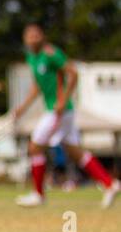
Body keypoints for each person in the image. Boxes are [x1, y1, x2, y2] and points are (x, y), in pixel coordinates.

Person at [11, 23, 119, 208]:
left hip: (58, 110)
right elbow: (38, 85)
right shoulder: (32, 58)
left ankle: (38, 194)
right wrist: (23, 107)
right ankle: (110, 184)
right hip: (58, 111)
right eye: (30, 35)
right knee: (75, 151)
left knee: (35, 147)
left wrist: (63, 100)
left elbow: (73, 73)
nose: (33, 38)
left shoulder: (51, 54)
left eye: (36, 34)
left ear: (42, 36)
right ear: (25, 39)